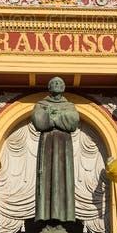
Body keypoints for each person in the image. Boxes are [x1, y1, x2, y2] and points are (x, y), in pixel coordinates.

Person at [32, 76, 79, 221]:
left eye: (60, 83)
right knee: (46, 180)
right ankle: (46, 220)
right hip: (47, 144)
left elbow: (73, 122)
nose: (57, 84)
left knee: (63, 179)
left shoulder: (69, 105)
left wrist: (53, 118)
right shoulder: (40, 104)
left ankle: (62, 221)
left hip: (64, 146)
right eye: (54, 83)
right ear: (49, 87)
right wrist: (59, 119)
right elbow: (39, 122)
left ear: (64, 87)